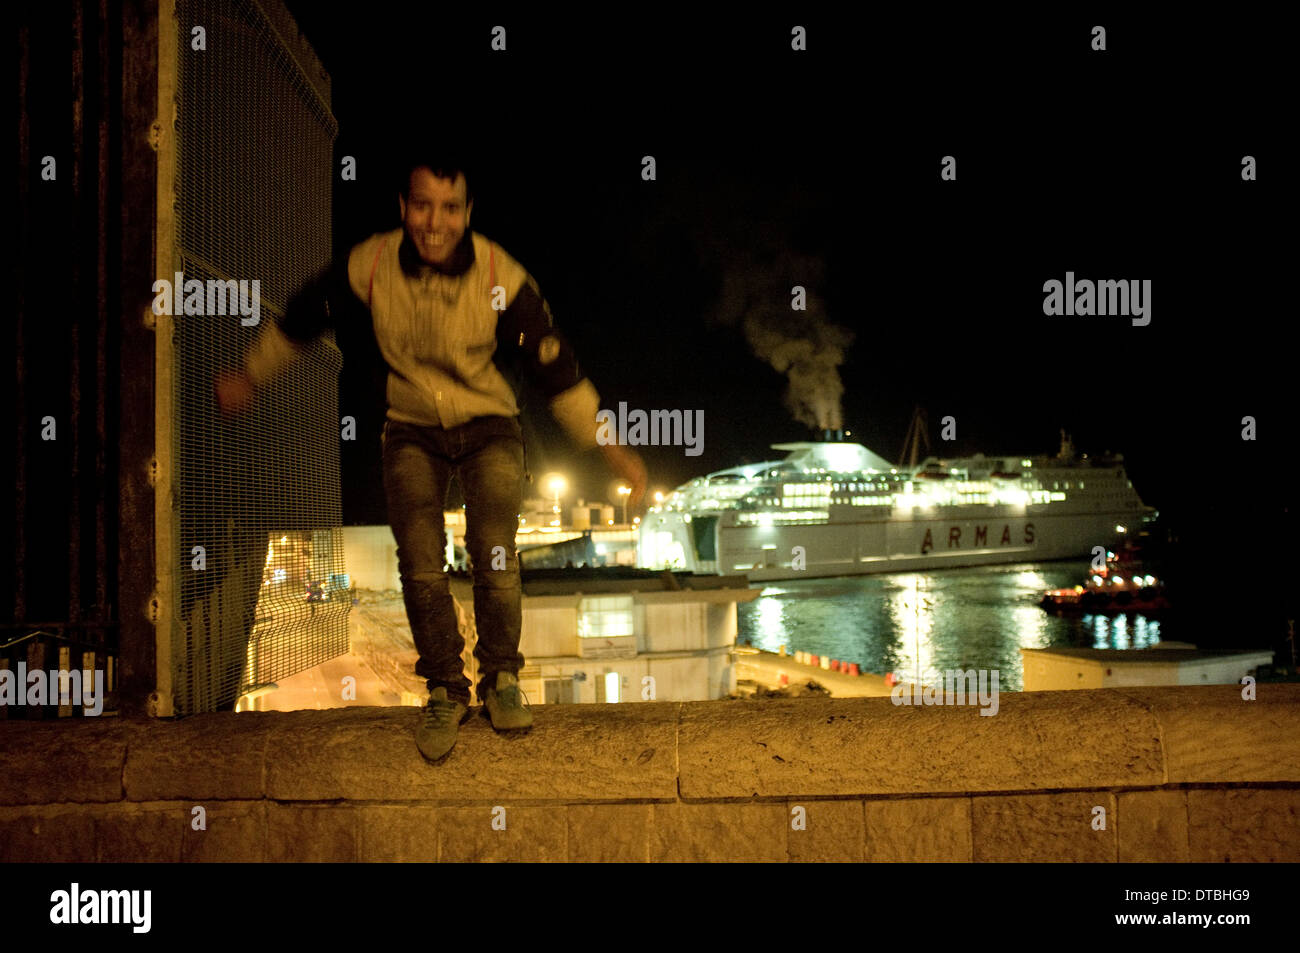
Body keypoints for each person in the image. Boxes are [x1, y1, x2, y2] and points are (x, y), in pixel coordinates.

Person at [215, 158, 646, 762]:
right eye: (421, 205)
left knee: (495, 555)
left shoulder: (501, 274)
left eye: (449, 208)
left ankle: (502, 679)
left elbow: (556, 368)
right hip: (412, 427)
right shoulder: (371, 266)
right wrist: (249, 376)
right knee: (418, 563)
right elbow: (303, 317)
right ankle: (445, 688)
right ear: (403, 207)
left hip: (491, 425)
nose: (434, 223)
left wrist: (612, 446)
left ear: (467, 214)